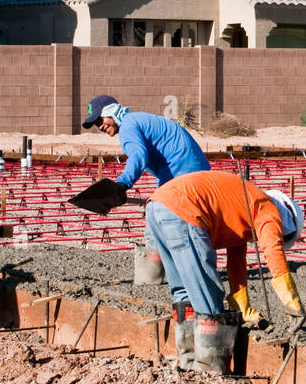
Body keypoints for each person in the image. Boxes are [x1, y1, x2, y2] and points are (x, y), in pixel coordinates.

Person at [145, 170, 306, 374]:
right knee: (208, 294)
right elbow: (273, 252)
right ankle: (210, 369)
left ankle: (187, 360)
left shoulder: (244, 206)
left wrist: (244, 309)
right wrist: (293, 306)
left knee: (184, 291)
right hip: (183, 208)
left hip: (157, 204)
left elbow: (236, 264)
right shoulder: (267, 209)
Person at [82, 94, 210, 282]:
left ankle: (151, 277)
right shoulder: (137, 120)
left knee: (155, 215)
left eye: (100, 120)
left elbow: (138, 156)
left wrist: (122, 184)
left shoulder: (128, 126)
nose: (100, 126)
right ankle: (184, 270)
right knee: (176, 218)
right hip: (185, 171)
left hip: (183, 173)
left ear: (110, 113)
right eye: (95, 124)